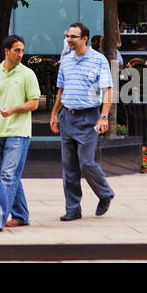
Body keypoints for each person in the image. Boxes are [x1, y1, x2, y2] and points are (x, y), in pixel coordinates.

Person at [0, 34, 42, 232]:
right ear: (6, 51)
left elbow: (34, 102)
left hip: (19, 133)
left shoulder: (28, 74)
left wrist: (13, 109)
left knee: (7, 175)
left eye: (22, 50)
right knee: (9, 176)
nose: (21, 54)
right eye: (17, 50)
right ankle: (21, 216)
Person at [51, 22, 115, 220]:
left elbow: (108, 90)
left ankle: (105, 193)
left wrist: (104, 116)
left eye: (73, 37)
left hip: (89, 117)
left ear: (84, 38)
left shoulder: (99, 60)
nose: (69, 40)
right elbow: (60, 90)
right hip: (67, 117)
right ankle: (73, 209)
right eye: (67, 36)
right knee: (69, 166)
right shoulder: (66, 61)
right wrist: (54, 114)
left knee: (86, 162)